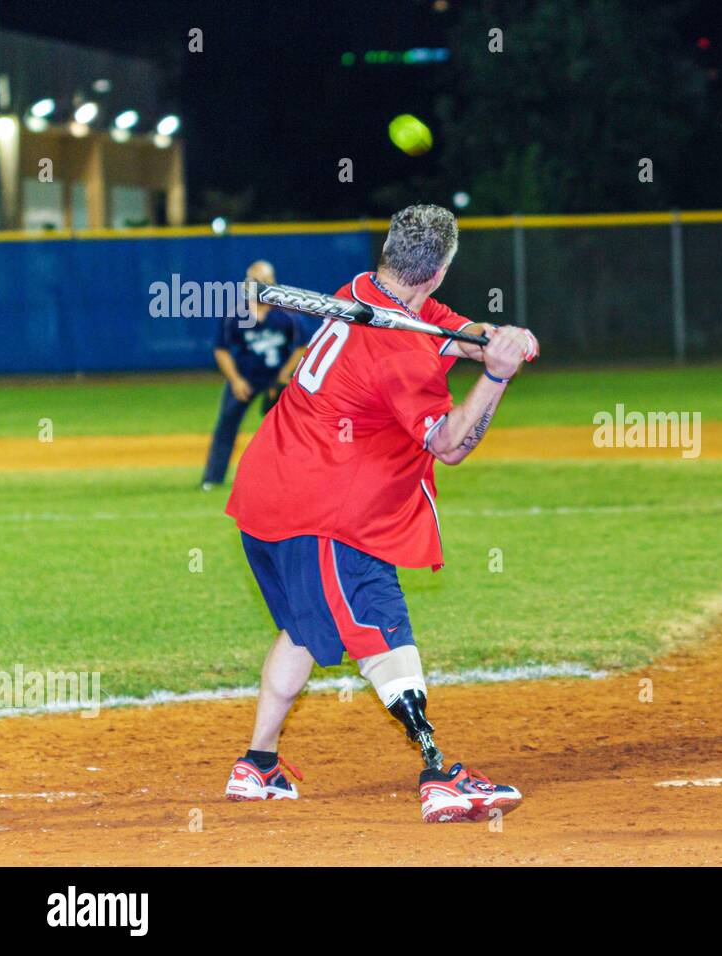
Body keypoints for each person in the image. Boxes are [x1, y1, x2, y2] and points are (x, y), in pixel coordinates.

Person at [222, 204, 539, 823]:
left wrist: (498, 339)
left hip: (268, 494)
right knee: (379, 624)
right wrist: (496, 377)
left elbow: (447, 329)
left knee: (306, 631)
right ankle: (439, 774)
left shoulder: (365, 293)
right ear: (439, 270)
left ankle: (256, 765)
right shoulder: (401, 354)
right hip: (327, 513)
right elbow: (447, 445)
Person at [201, 260, 306, 490]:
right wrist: (236, 380)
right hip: (246, 376)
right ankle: (212, 478)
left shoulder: (287, 313)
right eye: (252, 281)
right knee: (226, 425)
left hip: (278, 379)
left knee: (291, 429)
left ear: (273, 283)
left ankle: (293, 476)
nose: (256, 286)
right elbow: (221, 350)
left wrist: (284, 377)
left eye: (262, 281)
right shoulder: (235, 314)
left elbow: (301, 346)